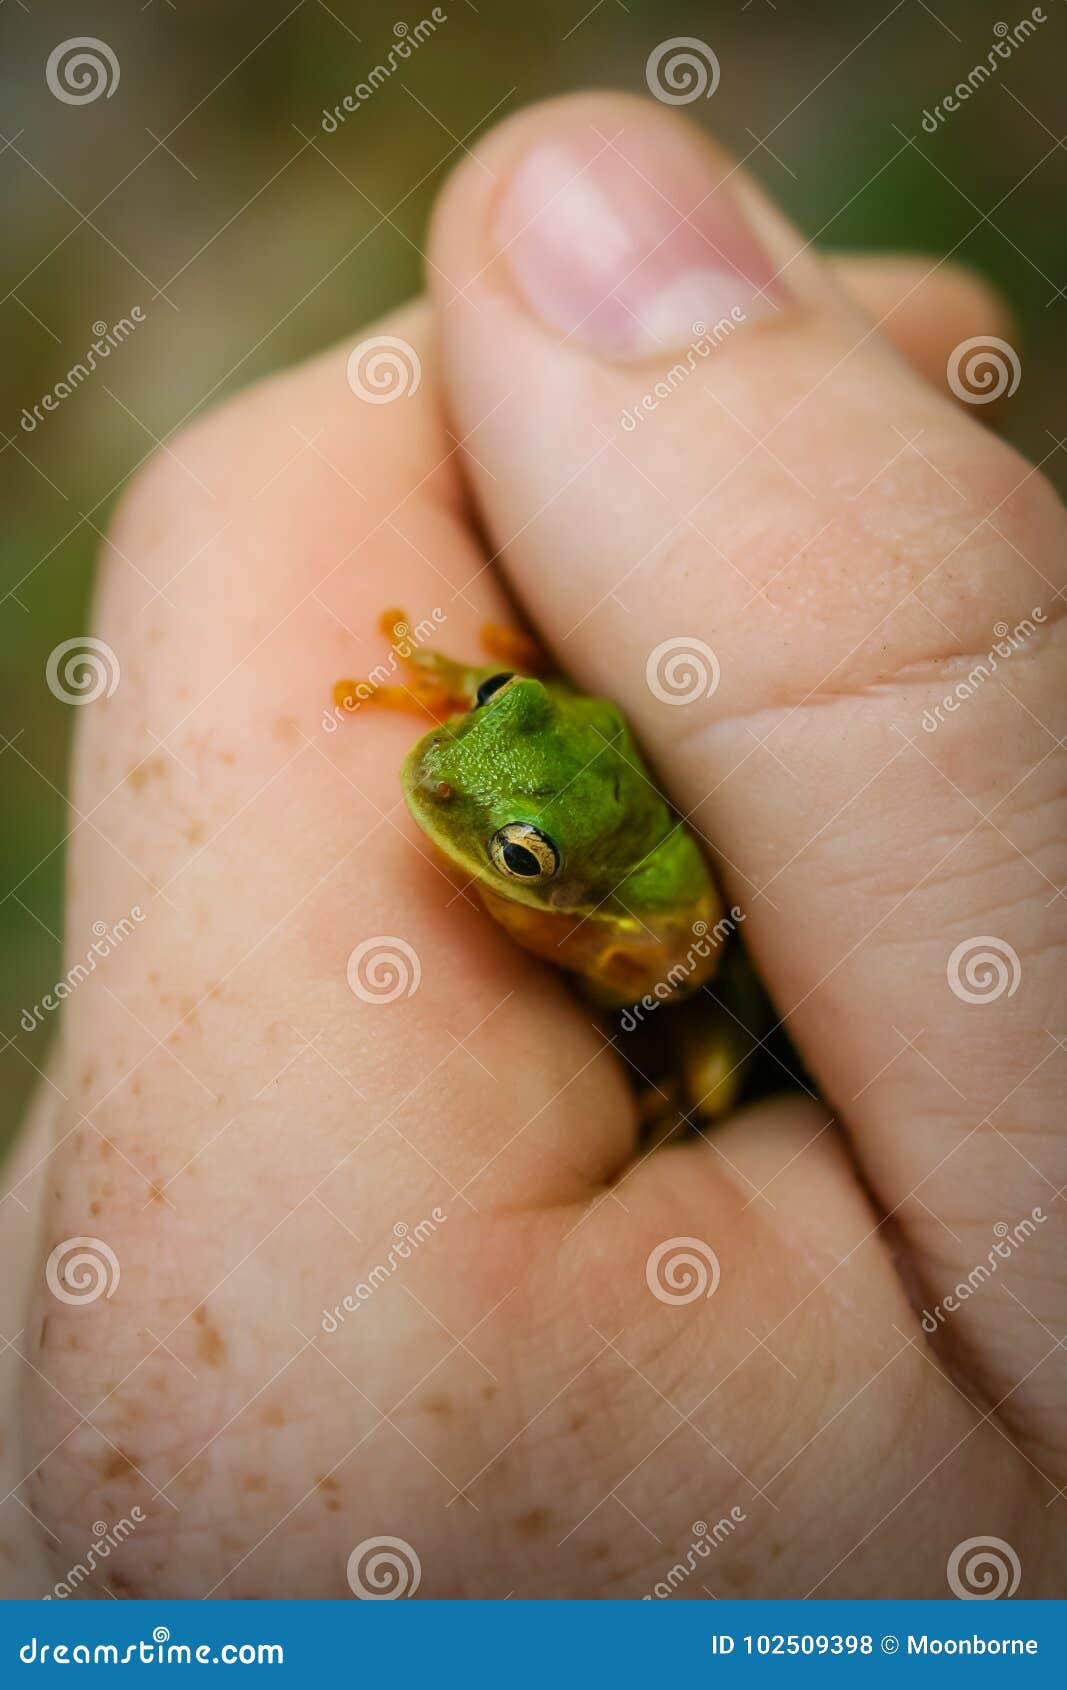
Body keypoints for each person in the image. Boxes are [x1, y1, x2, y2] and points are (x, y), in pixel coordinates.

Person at [2, 93, 1063, 1599]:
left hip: (699, 1004)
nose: (430, 784)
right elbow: (562, 722)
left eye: (501, 846)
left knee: (698, 1062)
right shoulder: (542, 746)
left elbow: (686, 963)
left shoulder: (637, 923)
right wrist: (483, 682)